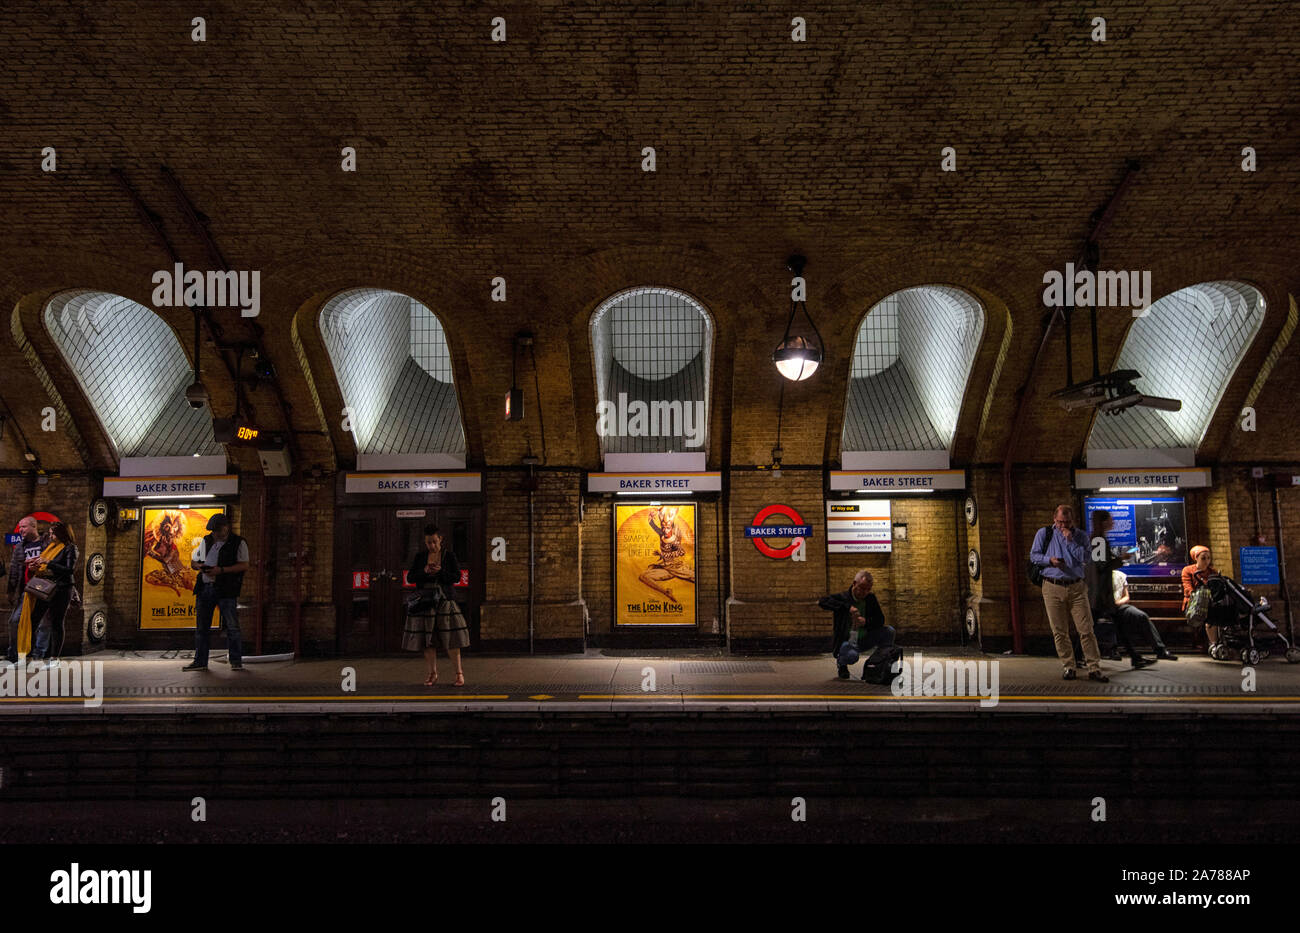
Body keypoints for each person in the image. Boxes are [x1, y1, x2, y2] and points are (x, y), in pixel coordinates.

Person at [1030, 504, 1109, 682]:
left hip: (1076, 587)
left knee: (1086, 629)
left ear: (1072, 521)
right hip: (1052, 585)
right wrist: (1049, 560)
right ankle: (1068, 666)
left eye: (1066, 522)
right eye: (1059, 522)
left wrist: (1070, 540)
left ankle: (1093, 667)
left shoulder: (1080, 536)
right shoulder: (1044, 534)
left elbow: (1086, 558)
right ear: (1054, 519)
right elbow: (1034, 556)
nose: (1063, 526)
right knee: (1059, 630)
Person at [403, 524, 469, 686]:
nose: (431, 546)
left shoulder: (449, 556)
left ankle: (459, 673)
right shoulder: (420, 557)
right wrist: (424, 571)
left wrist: (440, 572)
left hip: (444, 600)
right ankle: (432, 673)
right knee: (428, 639)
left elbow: (456, 577)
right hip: (426, 600)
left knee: (451, 637)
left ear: (440, 539)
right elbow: (411, 578)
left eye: (434, 541)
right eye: (428, 543)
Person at [183, 513, 250, 672]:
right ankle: (200, 661)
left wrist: (221, 570)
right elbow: (193, 561)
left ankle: (235, 660)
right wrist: (200, 567)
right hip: (205, 588)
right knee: (202, 627)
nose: (215, 534)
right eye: (213, 531)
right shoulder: (206, 541)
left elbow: (244, 565)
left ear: (226, 527)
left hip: (226, 589)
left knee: (232, 626)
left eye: (218, 530)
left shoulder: (238, 542)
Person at [1086, 510, 1151, 669]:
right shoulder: (1099, 540)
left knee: (1094, 625)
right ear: (1103, 522)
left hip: (1100, 593)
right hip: (1101, 594)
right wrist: (1121, 559)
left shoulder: (1098, 539)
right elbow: (1102, 566)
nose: (1112, 522)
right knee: (1092, 626)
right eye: (1110, 519)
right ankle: (1135, 657)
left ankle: (1135, 657)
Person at [818, 569, 894, 680]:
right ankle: (842, 664)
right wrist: (848, 608)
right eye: (862, 588)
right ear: (854, 584)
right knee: (851, 656)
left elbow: (880, 620)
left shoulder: (870, 599)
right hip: (847, 642)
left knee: (889, 631)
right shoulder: (844, 597)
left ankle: (878, 661)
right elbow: (822, 601)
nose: (865, 592)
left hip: (864, 638)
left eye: (868, 589)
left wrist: (865, 622)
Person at [29, 521, 79, 667]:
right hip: (47, 587)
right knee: (34, 619)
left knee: (57, 622)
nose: (51, 536)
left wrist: (48, 562)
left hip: (62, 589)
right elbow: (47, 564)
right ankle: (33, 655)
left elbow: (69, 569)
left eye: (53, 533)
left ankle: (54, 658)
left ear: (62, 534)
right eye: (50, 533)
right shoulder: (52, 547)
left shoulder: (70, 548)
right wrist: (37, 564)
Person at [1112, 569, 1177, 661]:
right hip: (1104, 607)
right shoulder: (1099, 575)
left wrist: (1118, 603)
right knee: (1115, 623)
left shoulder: (1120, 575)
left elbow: (1126, 596)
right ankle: (1114, 651)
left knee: (1141, 616)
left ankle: (1160, 650)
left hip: (1119, 606)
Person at [6, 516, 47, 663]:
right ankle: (14, 654)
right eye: (19, 527)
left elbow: (54, 563)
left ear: (33, 526)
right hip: (26, 591)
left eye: (23, 527)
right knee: (14, 621)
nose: (20, 530)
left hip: (44, 590)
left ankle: (38, 654)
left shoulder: (46, 543)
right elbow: (14, 570)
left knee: (42, 623)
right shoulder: (20, 546)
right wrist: (11, 591)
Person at [1182, 545, 1227, 654]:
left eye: (1208, 558)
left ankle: (1216, 642)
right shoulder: (1188, 570)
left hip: (1211, 603)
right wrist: (1195, 594)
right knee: (1209, 616)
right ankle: (1213, 643)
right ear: (1196, 558)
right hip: (1194, 604)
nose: (1206, 561)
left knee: (1218, 613)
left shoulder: (1212, 572)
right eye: (1203, 558)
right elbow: (1187, 587)